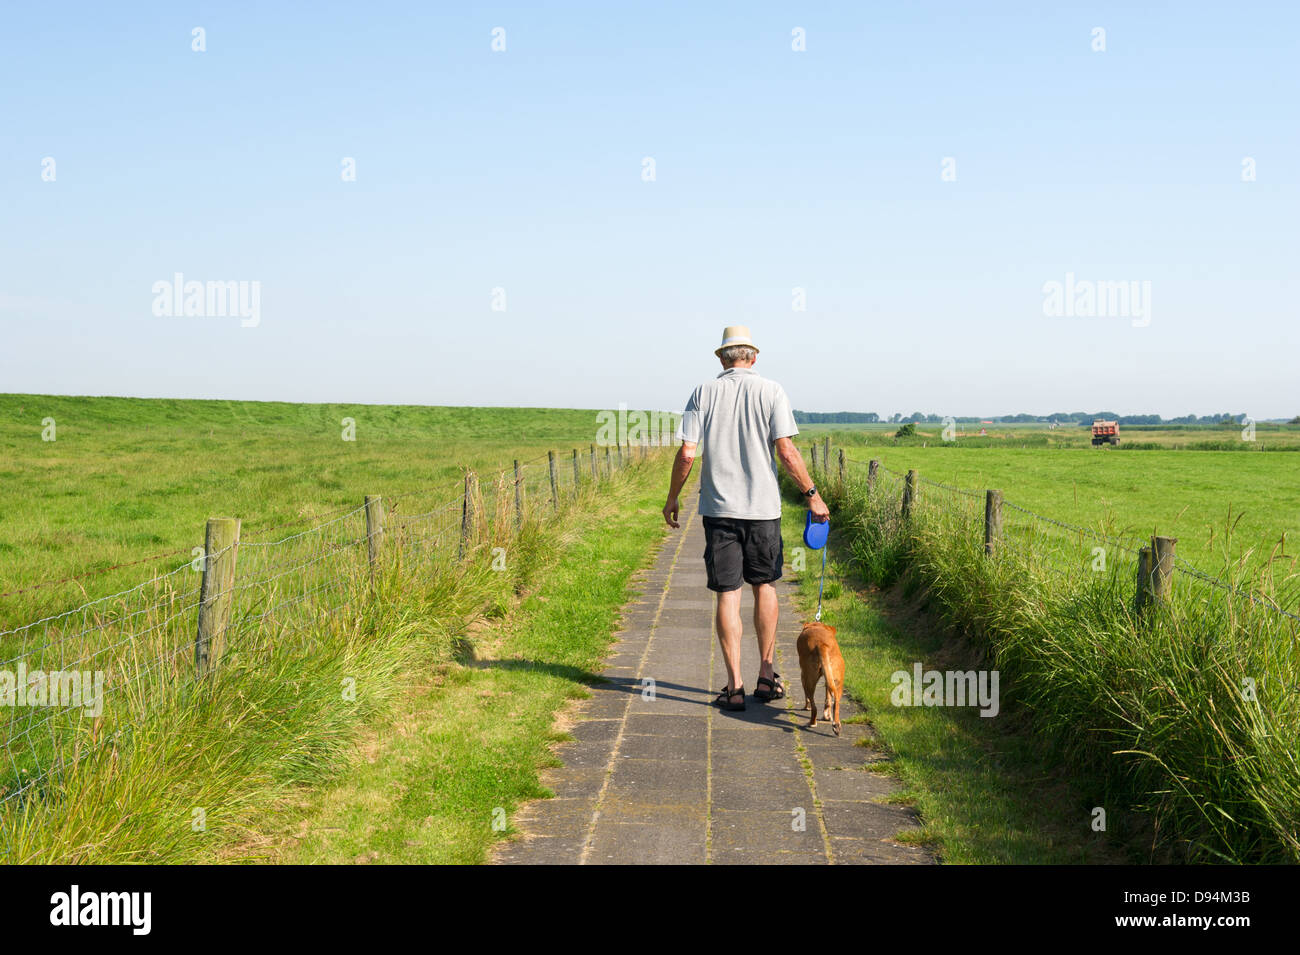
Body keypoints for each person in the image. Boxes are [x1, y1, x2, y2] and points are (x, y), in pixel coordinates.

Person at [662, 326, 829, 711]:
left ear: (722, 358)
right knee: (765, 587)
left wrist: (673, 497)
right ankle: (767, 677)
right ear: (753, 357)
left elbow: (688, 453)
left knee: (728, 593)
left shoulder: (703, 392)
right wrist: (813, 496)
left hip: (719, 510)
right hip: (763, 510)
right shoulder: (772, 391)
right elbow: (786, 450)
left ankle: (734, 686)